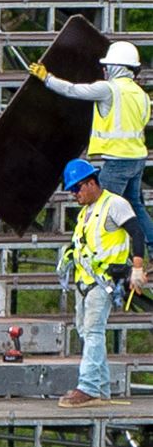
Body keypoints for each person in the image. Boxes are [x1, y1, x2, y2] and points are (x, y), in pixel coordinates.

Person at [30, 41, 153, 250]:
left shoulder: (108, 89)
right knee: (135, 206)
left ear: (116, 67)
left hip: (117, 162)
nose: (104, 70)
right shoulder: (141, 95)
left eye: (107, 66)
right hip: (137, 159)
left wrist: (47, 78)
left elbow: (73, 90)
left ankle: (90, 251)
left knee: (99, 207)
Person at [55, 159, 145, 408]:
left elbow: (137, 232)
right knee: (87, 333)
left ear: (91, 183)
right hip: (85, 282)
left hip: (103, 282)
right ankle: (101, 387)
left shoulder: (114, 204)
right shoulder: (86, 213)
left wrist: (137, 267)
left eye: (77, 189)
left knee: (93, 332)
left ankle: (89, 387)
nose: (74, 194)